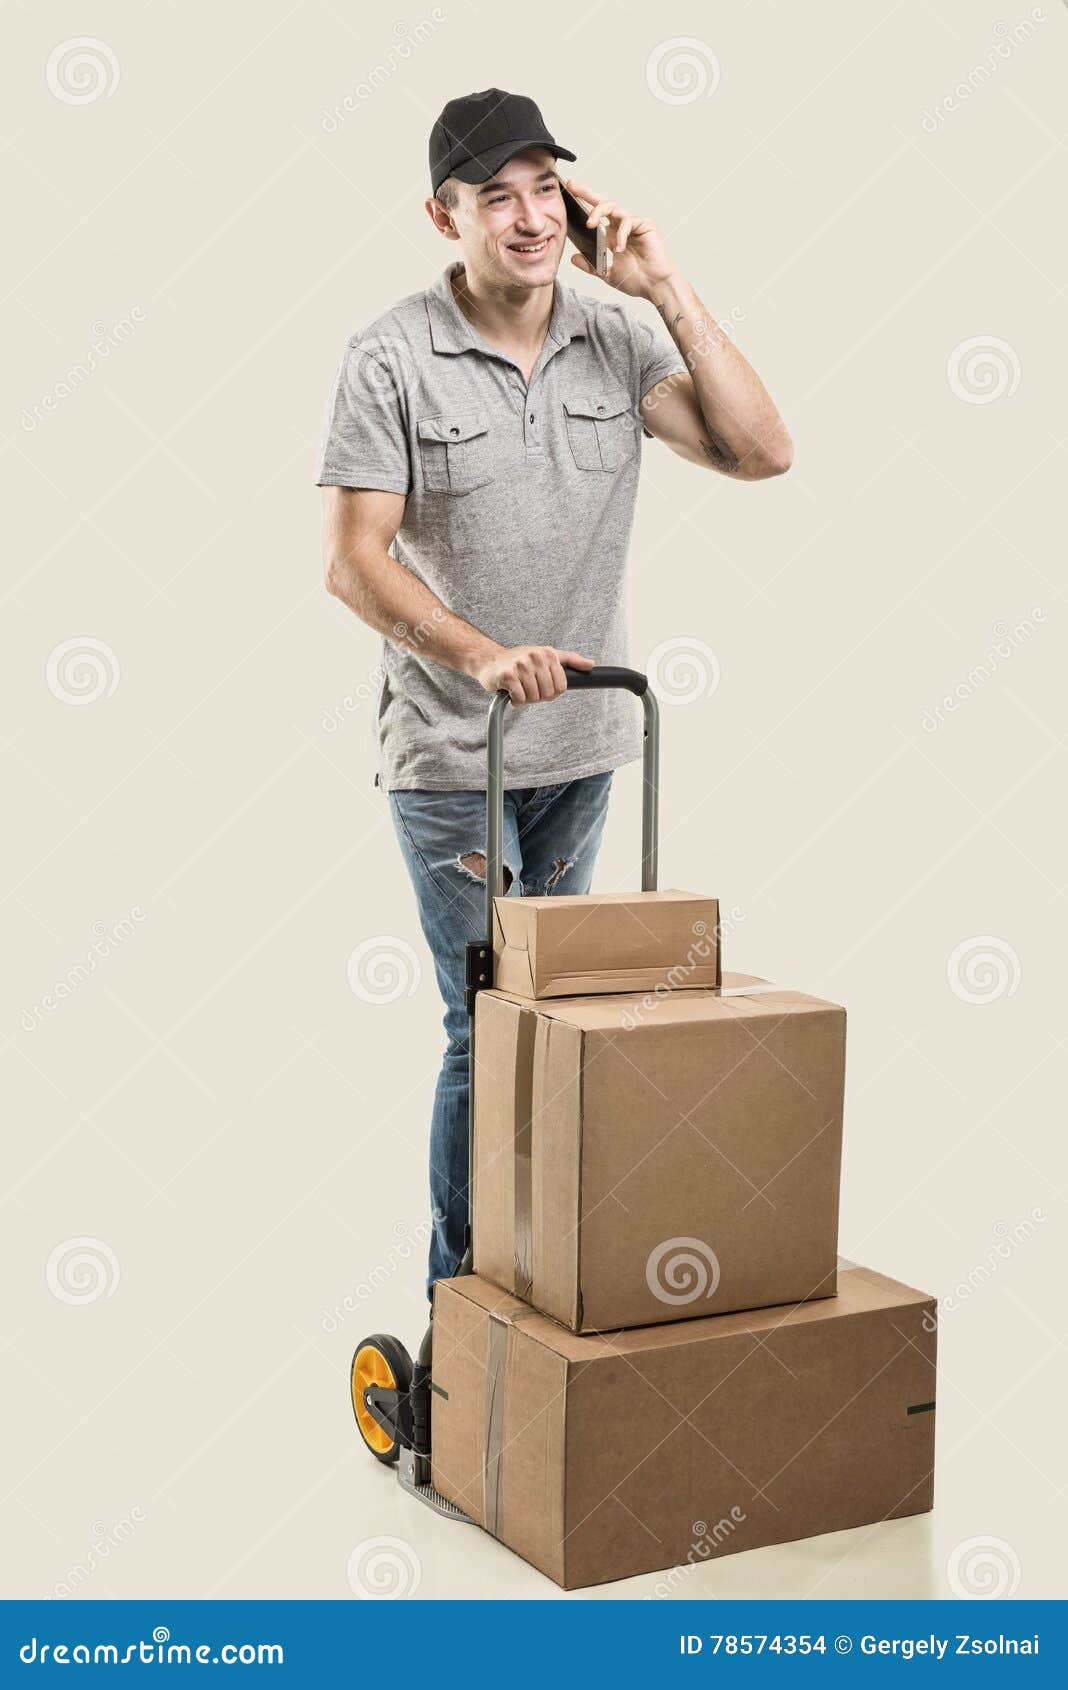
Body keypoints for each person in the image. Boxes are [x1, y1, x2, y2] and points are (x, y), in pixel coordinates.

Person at [316, 87, 792, 1297]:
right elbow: (352, 559)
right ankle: (461, 1302)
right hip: (452, 760)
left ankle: (559, 1276)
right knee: (486, 1031)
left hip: (584, 745)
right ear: (446, 216)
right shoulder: (390, 356)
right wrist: (478, 655)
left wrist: (665, 289)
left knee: (567, 1027)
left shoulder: (614, 336)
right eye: (497, 196)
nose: (528, 217)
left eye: (546, 189)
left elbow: (761, 452)